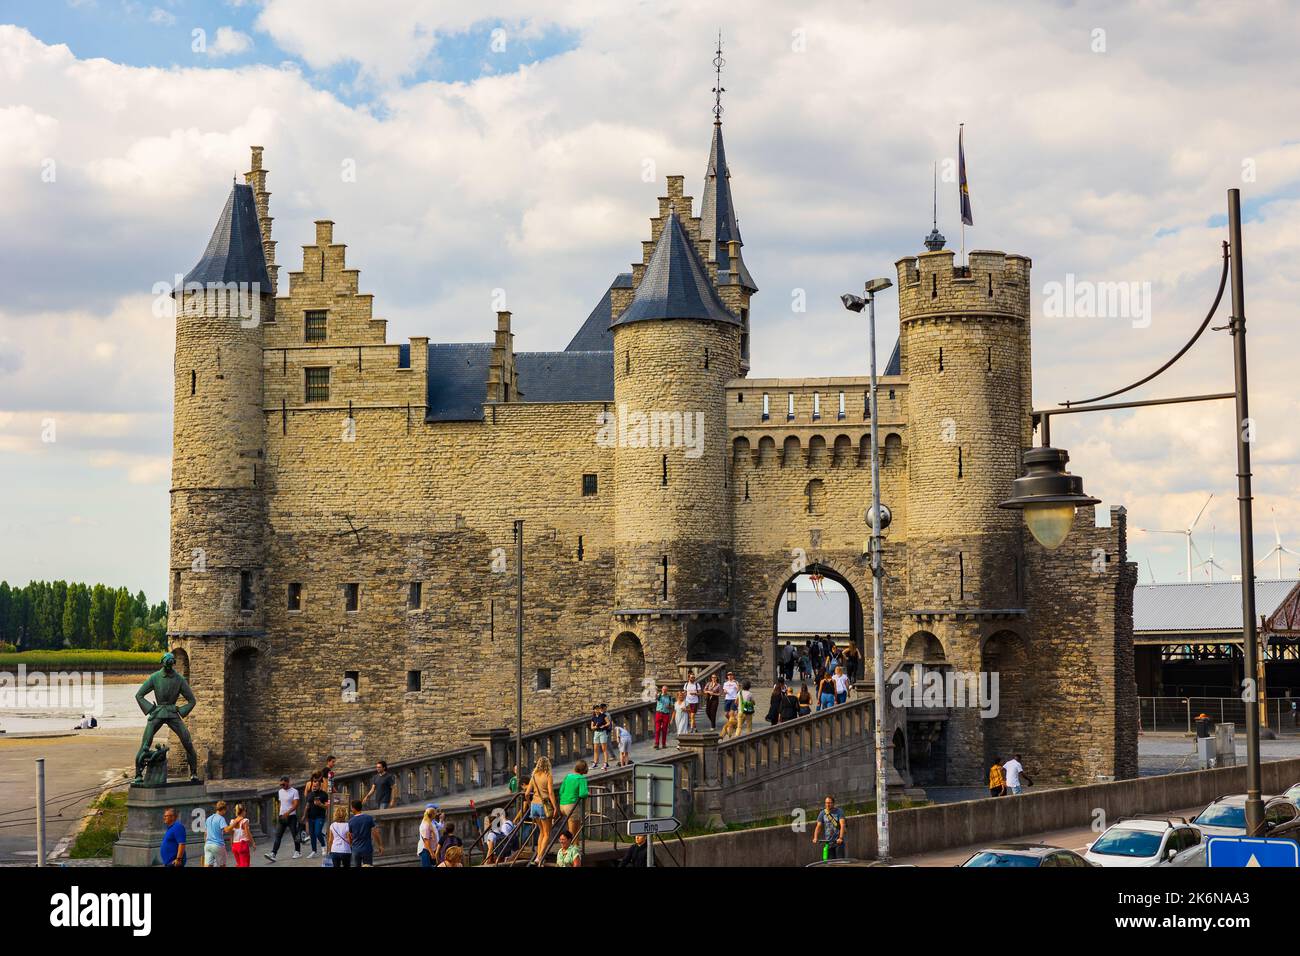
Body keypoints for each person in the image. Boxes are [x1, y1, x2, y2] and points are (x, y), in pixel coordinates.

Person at [524, 755, 557, 864]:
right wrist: (555, 807)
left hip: (534, 805)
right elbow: (551, 793)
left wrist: (529, 804)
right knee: (547, 833)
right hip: (544, 806)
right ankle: (539, 857)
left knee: (541, 832)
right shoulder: (548, 776)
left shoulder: (533, 776)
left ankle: (538, 856)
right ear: (548, 765)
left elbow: (527, 793)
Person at [265, 775, 301, 862]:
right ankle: (273, 854)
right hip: (282, 817)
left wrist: (288, 812)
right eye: (281, 785)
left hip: (291, 816)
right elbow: (281, 803)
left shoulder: (294, 791)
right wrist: (280, 814)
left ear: (288, 782)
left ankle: (298, 851)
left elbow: (296, 804)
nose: (282, 786)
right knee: (278, 835)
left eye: (283, 784)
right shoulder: (280, 791)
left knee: (294, 835)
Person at [557, 760, 589, 837]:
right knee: (573, 832)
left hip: (562, 805)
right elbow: (583, 794)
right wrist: (587, 793)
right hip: (572, 806)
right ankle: (569, 848)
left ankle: (575, 847)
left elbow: (561, 791)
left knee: (575, 830)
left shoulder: (568, 776)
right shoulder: (581, 779)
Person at [348, 799, 383, 866]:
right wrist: (380, 845)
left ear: (354, 809)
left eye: (351, 808)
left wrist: (351, 846)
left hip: (356, 849)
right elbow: (375, 833)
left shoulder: (351, 821)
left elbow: (349, 836)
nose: (351, 809)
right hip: (367, 849)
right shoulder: (368, 818)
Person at [812, 795, 847, 862]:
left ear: (833, 803)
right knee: (830, 863)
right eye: (826, 803)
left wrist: (840, 838)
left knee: (840, 862)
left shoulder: (839, 812)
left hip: (838, 842)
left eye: (830, 803)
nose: (828, 804)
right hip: (828, 842)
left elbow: (842, 825)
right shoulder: (822, 813)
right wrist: (815, 837)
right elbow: (818, 826)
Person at [304, 771, 329, 858]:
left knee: (318, 832)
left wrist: (320, 804)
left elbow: (327, 807)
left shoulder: (324, 794)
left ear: (319, 785)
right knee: (312, 834)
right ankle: (313, 851)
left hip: (320, 817)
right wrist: (304, 816)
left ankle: (323, 846)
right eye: (313, 784)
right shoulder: (310, 794)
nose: (314, 786)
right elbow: (307, 805)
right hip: (311, 817)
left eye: (316, 784)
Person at [203, 799, 233, 867]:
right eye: (225, 810)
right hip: (218, 845)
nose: (225, 812)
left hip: (207, 845)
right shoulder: (221, 818)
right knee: (222, 865)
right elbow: (226, 830)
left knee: (208, 865)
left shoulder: (208, 818)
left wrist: (206, 844)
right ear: (223, 809)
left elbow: (205, 834)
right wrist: (234, 824)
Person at [590, 704, 611, 770]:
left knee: (604, 748)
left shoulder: (603, 715)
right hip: (596, 733)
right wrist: (595, 727)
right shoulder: (593, 717)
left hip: (603, 732)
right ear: (594, 710)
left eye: (598, 708)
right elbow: (591, 727)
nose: (597, 710)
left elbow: (608, 723)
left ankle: (606, 763)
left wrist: (604, 726)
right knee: (595, 749)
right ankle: (595, 763)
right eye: (595, 709)